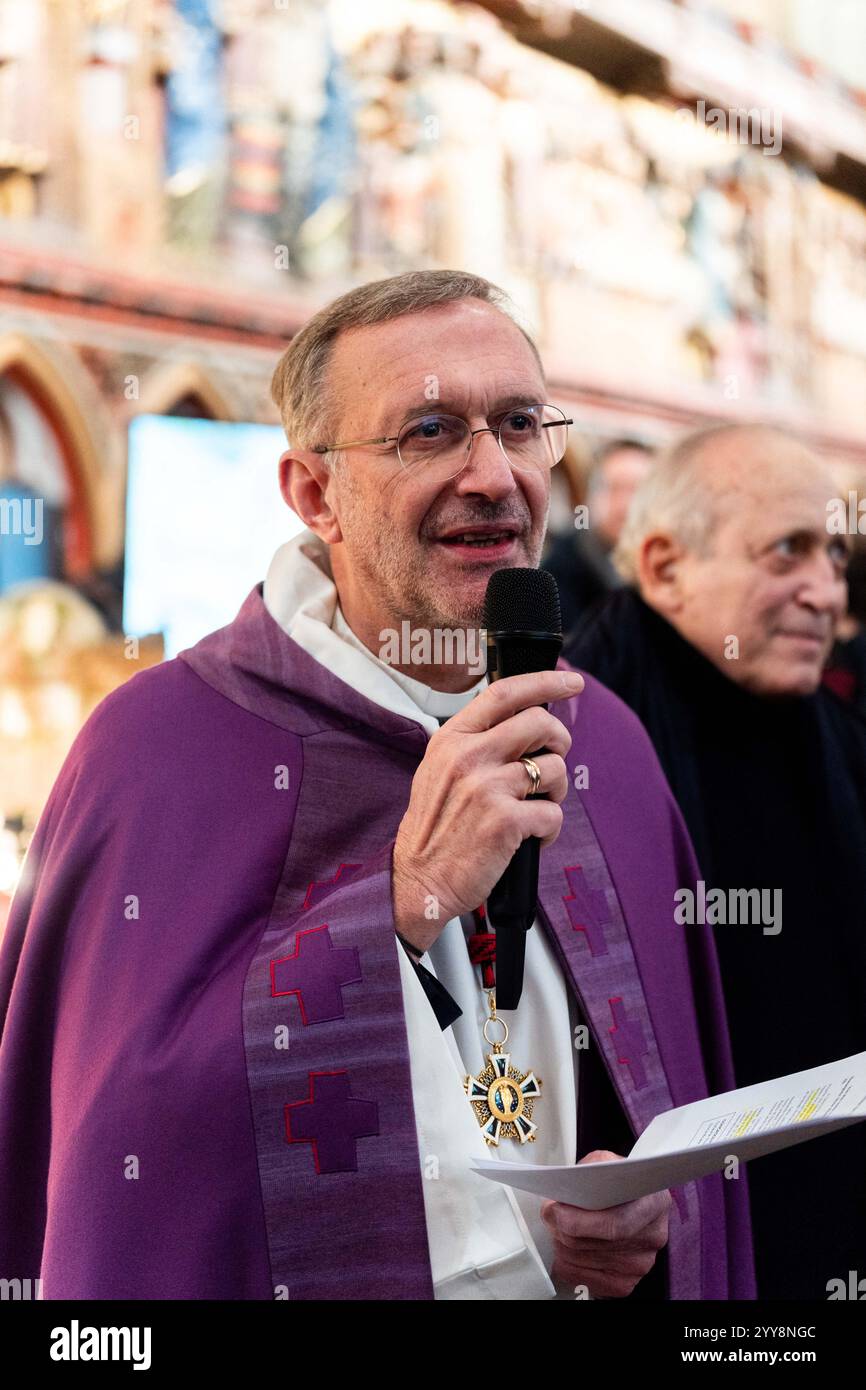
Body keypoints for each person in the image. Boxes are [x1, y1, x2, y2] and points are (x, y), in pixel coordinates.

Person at [0, 271, 753, 1300]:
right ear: (314, 494)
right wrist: (401, 904)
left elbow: (666, 1101)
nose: (493, 473)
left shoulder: (603, 741)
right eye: (430, 431)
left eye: (520, 423)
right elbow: (128, 1171)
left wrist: (618, 1224)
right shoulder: (156, 751)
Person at [566, 422, 866, 1300]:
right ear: (663, 566)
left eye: (836, 558)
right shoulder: (562, 741)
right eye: (788, 553)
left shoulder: (838, 741)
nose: (826, 592)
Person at [544, 438, 653, 637]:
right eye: (614, 488)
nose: (625, 505)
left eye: (637, 491)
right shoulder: (560, 571)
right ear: (591, 494)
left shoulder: (663, 573)